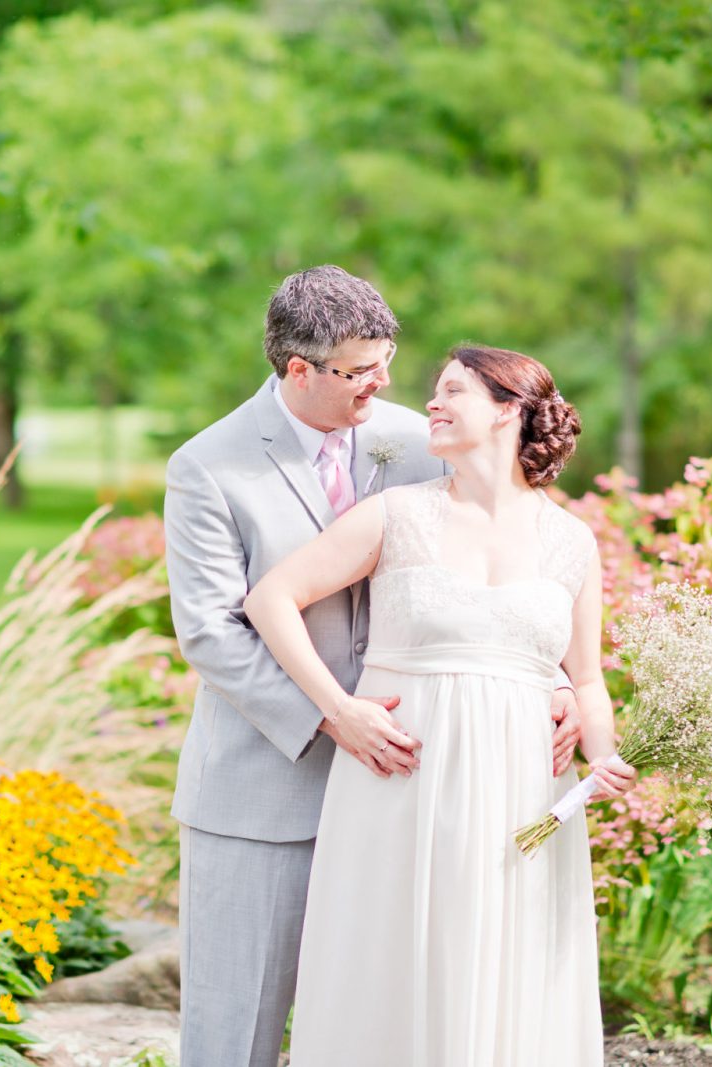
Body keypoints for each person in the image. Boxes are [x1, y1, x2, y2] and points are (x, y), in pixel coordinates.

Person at [166, 271, 582, 1067]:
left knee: (392, 1020)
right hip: (266, 787)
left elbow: (491, 564)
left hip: (411, 793)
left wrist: (553, 679)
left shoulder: (420, 438)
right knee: (235, 1032)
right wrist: (333, 713)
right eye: (360, 370)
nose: (383, 384)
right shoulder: (208, 466)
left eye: (386, 362)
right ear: (299, 370)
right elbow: (213, 633)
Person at [244, 343, 638, 1067]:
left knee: (507, 960)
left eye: (452, 390)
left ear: (509, 410)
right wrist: (338, 708)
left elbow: (586, 680)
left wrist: (603, 752)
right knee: (392, 958)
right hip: (401, 783)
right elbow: (271, 598)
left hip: (522, 792)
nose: (431, 402)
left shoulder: (573, 542)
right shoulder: (396, 515)